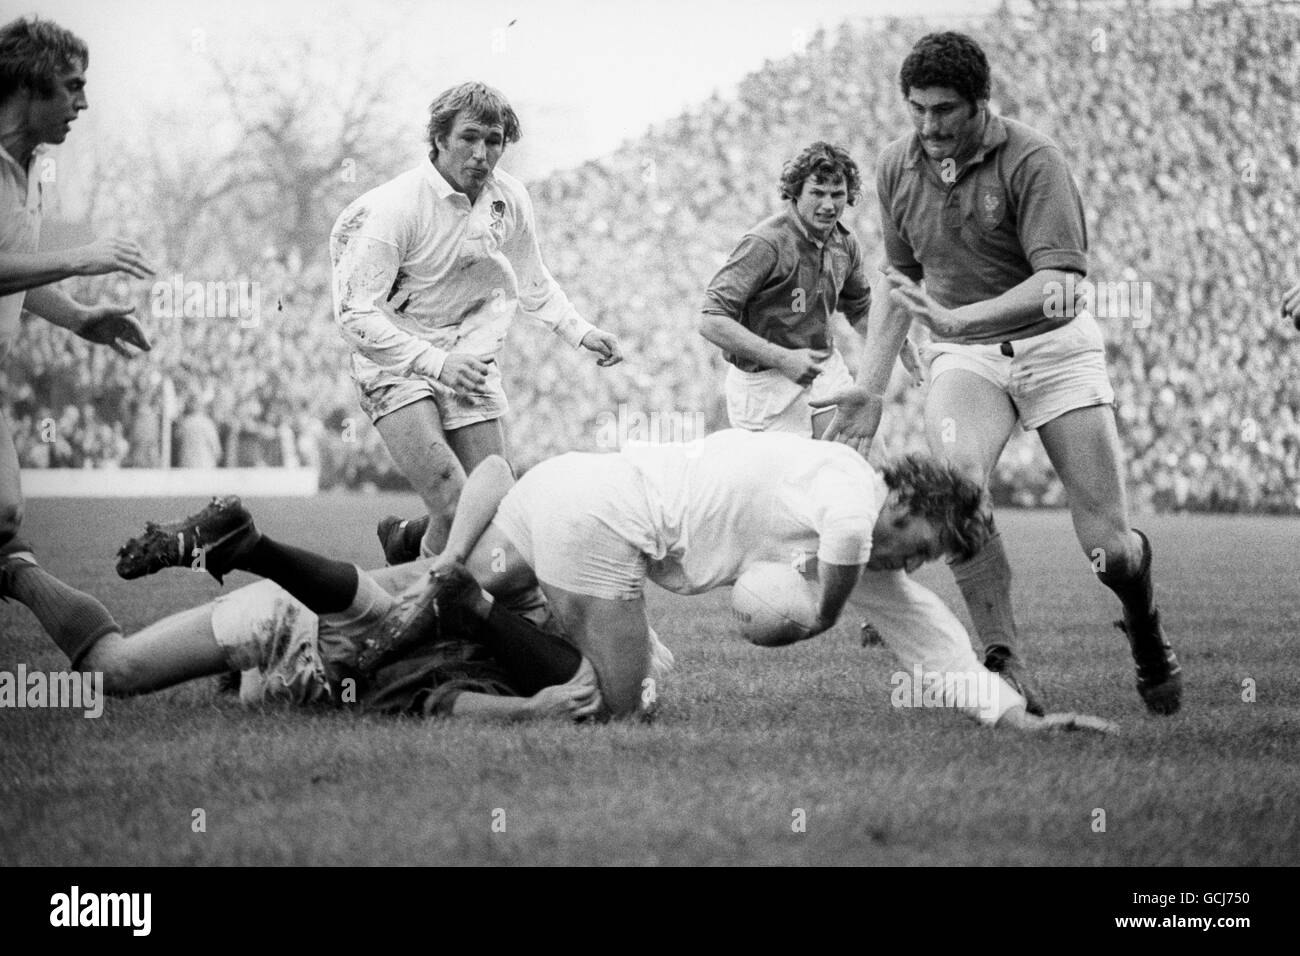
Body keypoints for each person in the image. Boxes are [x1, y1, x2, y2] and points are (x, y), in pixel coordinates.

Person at [814, 31, 1180, 716]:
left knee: (1111, 549)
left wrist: (960, 320)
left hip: (1055, 350)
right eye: (917, 109)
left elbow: (1059, 282)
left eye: (945, 110)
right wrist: (871, 386)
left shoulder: (1034, 159)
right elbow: (899, 282)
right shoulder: (898, 167)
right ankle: (1001, 660)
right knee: (958, 492)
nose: (929, 126)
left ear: (983, 103)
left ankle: (1146, 624)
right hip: (968, 359)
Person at [401, 428, 1116, 732]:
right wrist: (826, 615)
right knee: (627, 710)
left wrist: (1021, 720)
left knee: (427, 603)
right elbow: (845, 537)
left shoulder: (860, 543)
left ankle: (344, 636)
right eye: (921, 547)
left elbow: (933, 643)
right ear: (903, 503)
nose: (911, 566)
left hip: (570, 483)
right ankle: (462, 703)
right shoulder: (848, 487)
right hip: (601, 521)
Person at [329, 81, 623, 561]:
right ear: (440, 139)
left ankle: (409, 542)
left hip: (469, 353)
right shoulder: (394, 208)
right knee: (451, 497)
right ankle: (419, 614)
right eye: (469, 138)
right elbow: (355, 315)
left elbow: (533, 280)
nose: (482, 153)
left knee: (497, 509)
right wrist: (438, 364)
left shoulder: (509, 200)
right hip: (394, 357)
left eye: (494, 140)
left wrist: (581, 332)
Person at [24, 496, 613, 722]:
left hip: (293, 611)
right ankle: (17, 566)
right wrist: (536, 709)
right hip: (306, 634)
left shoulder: (503, 582)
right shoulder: (494, 619)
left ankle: (16, 564)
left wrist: (429, 548)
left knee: (122, 669)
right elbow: (445, 704)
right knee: (113, 671)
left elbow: (494, 471)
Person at [0, 16, 155, 661]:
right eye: (72, 87)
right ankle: (95, 649)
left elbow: (13, 271)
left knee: (4, 519)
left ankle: (79, 634)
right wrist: (78, 257)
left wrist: (80, 318)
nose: (83, 104)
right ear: (29, 88)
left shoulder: (29, 167)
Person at [699, 141, 919, 438]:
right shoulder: (765, 244)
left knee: (854, 459)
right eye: (817, 193)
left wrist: (898, 343)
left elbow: (860, 309)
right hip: (762, 385)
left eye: (837, 194)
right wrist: (782, 358)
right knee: (787, 480)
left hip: (820, 366)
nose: (829, 205)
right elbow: (711, 320)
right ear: (796, 194)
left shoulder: (845, 242)